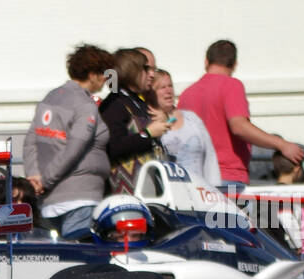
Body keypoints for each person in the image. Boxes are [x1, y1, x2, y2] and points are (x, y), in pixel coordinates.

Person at [178, 39, 304, 189]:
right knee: (230, 214)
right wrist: (282, 144)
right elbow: (239, 126)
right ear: (234, 64)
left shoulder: (187, 94)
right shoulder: (231, 86)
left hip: (195, 181)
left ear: (206, 62)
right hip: (226, 178)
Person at [22, 44, 113, 235]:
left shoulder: (51, 97)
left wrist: (34, 178)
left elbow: (31, 139)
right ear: (92, 74)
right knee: (80, 259)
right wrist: (45, 181)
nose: (106, 79)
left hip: (49, 201)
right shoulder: (85, 104)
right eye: (103, 73)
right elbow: (76, 146)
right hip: (80, 198)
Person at [100, 48, 171, 195]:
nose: (152, 75)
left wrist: (162, 119)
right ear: (131, 71)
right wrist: (148, 133)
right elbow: (113, 147)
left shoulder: (137, 101)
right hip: (127, 192)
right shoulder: (115, 103)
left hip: (150, 188)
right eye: (146, 69)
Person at [153, 69, 220, 185]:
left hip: (201, 192)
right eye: (162, 87)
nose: (168, 91)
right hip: (172, 194)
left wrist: (215, 188)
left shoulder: (192, 119)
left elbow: (210, 156)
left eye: (170, 86)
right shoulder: (151, 124)